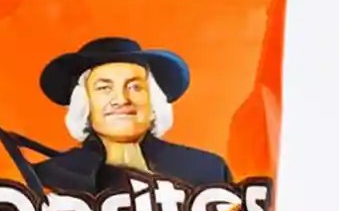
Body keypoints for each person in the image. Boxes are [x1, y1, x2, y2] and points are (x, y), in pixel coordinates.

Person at [32, 37, 232, 194]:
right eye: (104, 88)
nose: (121, 99)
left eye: (135, 87)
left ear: (154, 102)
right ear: (85, 104)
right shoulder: (47, 178)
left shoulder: (207, 171)